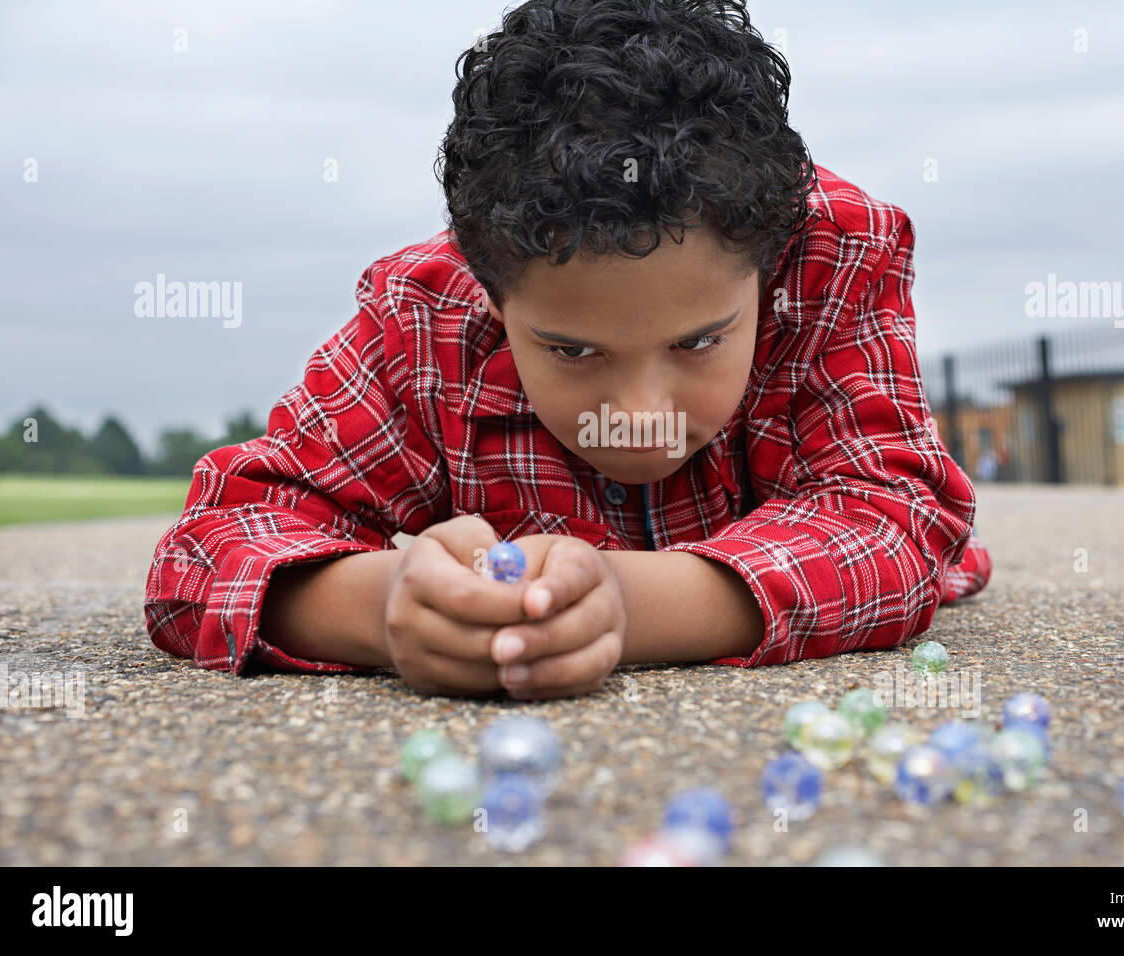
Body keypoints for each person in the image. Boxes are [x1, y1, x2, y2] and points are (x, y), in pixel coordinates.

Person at [144, 0, 991, 701]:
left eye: (700, 341)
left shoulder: (836, 254)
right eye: (573, 351)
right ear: (489, 294)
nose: (641, 418)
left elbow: (895, 522)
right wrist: (386, 606)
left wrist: (621, 601)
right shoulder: (426, 314)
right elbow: (208, 549)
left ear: (768, 273)